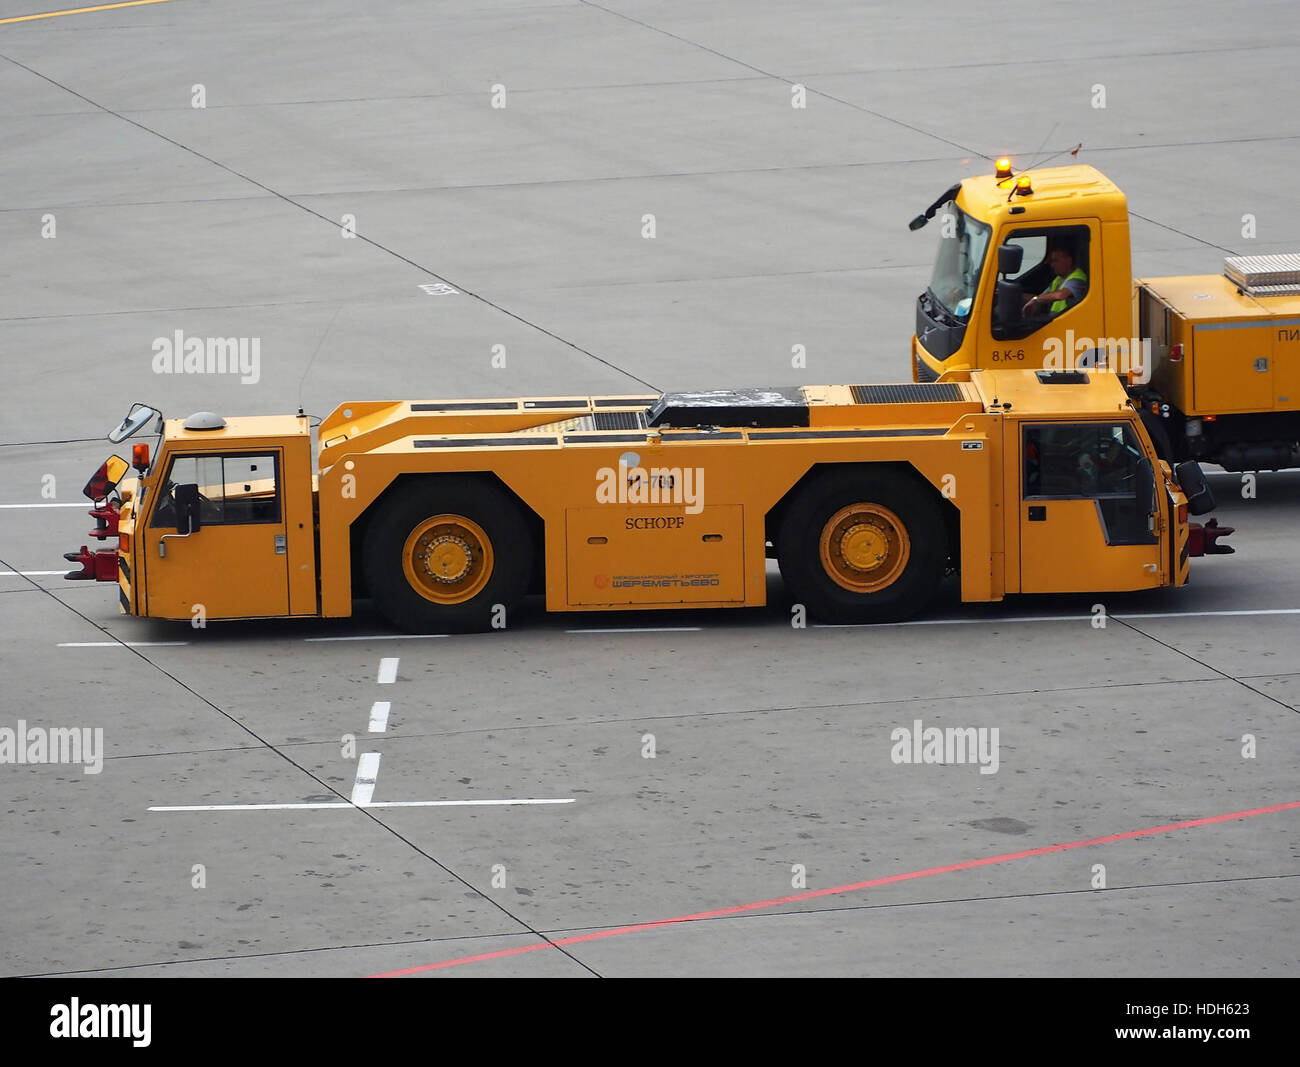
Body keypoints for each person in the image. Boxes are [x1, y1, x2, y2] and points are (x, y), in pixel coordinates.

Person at [1023, 242, 1087, 317]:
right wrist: (1019, 295)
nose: (1052, 265)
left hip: (1069, 321)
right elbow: (1043, 297)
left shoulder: (1077, 278)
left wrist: (1035, 299)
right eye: (1052, 261)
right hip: (1056, 320)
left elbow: (1060, 295)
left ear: (1069, 260)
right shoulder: (1059, 279)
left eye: (1056, 261)